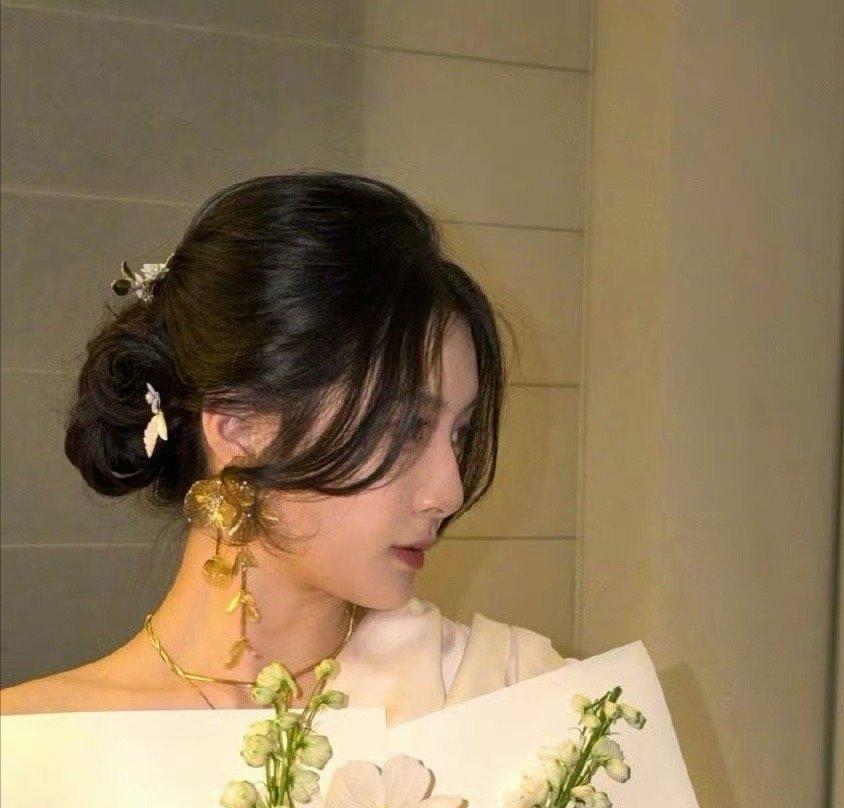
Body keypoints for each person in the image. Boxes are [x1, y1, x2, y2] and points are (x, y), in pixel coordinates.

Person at [0, 172, 571, 723]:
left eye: (459, 433)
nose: (449, 493)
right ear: (239, 428)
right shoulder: (35, 744)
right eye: (404, 430)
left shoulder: (516, 698)